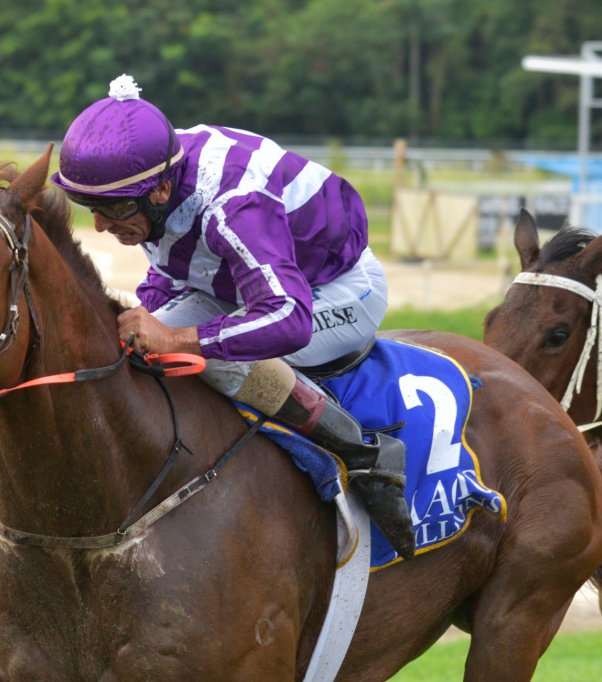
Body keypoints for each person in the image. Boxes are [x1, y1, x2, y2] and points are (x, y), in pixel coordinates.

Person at [51, 75, 417, 559]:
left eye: (112, 208)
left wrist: (179, 339)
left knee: (214, 356)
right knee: (138, 348)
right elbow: (173, 267)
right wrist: (149, 319)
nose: (99, 224)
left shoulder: (232, 206)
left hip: (334, 289)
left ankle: (365, 455)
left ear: (161, 190)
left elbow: (287, 318)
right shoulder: (150, 172)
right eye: (88, 207)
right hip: (243, 282)